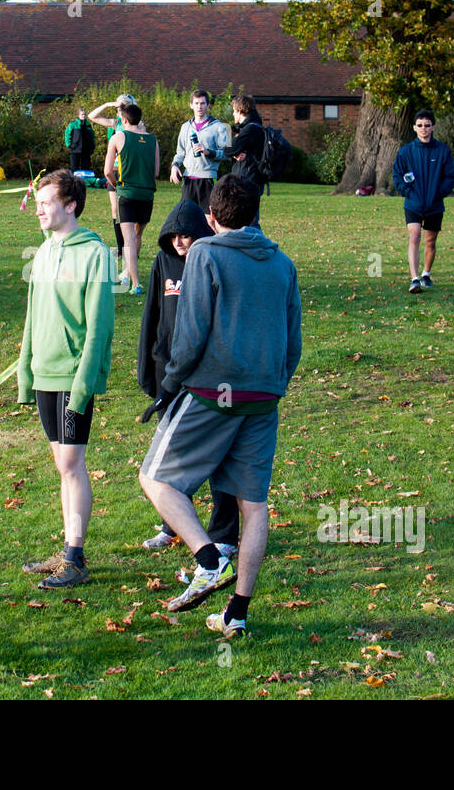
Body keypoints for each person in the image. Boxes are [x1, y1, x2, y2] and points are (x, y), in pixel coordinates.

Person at [137, 175, 302, 637]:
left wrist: (170, 384)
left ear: (211, 218)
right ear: (256, 214)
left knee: (155, 478)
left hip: (212, 393)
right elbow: (293, 343)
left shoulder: (205, 254)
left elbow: (190, 334)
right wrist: (272, 384)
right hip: (263, 398)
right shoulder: (283, 263)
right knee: (254, 507)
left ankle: (210, 561)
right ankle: (237, 614)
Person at [17, 170, 115, 589]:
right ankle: (67, 550)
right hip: (44, 374)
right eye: (38, 202)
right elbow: (32, 315)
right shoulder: (42, 250)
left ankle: (75, 559)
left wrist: (84, 382)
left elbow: (100, 325)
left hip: (73, 377)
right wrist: (25, 370)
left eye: (46, 202)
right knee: (63, 467)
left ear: (71, 205)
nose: (38, 210)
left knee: (72, 465)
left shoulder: (96, 253)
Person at [136, 198, 239, 554]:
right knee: (172, 455)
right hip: (168, 371)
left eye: (186, 235)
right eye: (174, 236)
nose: (179, 242)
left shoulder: (214, 260)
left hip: (207, 375)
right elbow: (152, 315)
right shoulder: (163, 261)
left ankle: (224, 535)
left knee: (219, 455)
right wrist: (147, 368)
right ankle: (173, 525)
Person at [392, 109, 454, 294]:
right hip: (413, 203)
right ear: (414, 127)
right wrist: (407, 191)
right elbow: (397, 175)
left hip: (434, 204)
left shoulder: (442, 151)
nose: (423, 129)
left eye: (427, 125)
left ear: (433, 127)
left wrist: (439, 193)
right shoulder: (406, 152)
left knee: (430, 241)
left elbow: (450, 177)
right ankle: (414, 279)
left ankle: (426, 273)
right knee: (414, 236)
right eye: (420, 125)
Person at [104, 102, 159, 294]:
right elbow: (156, 172)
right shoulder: (153, 140)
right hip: (147, 194)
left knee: (128, 239)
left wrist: (116, 185)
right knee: (137, 235)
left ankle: (135, 284)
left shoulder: (118, 137)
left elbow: (107, 171)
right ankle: (128, 272)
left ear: (124, 120)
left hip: (127, 193)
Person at [89, 94, 136, 266]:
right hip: (115, 169)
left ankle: (131, 246)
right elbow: (92, 116)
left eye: (121, 106)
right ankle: (121, 248)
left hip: (129, 170)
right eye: (117, 107)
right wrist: (108, 103)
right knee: (115, 210)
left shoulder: (136, 123)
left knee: (128, 210)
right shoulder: (116, 123)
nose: (118, 109)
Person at [171, 90, 230, 209]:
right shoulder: (185, 127)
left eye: (202, 103)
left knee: (209, 217)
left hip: (208, 178)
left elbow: (227, 153)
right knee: (188, 216)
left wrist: (208, 152)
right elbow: (180, 153)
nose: (199, 107)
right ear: (191, 105)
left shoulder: (219, 126)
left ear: (208, 105)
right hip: (188, 179)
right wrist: (174, 166)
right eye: (196, 103)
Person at [223, 95, 267, 222]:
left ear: (240, 111)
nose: (233, 114)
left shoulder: (250, 129)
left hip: (248, 180)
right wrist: (236, 153)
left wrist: (233, 150)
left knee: (249, 221)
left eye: (234, 111)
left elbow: (227, 149)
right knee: (244, 219)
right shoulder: (253, 126)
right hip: (249, 178)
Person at [64, 108, 96, 173]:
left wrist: (92, 146)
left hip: (86, 150)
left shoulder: (88, 125)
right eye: (82, 114)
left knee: (86, 168)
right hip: (75, 149)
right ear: (78, 115)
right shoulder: (73, 124)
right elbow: (67, 134)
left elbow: (92, 136)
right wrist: (69, 145)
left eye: (85, 114)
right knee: (74, 168)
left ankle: (84, 179)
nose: (83, 116)